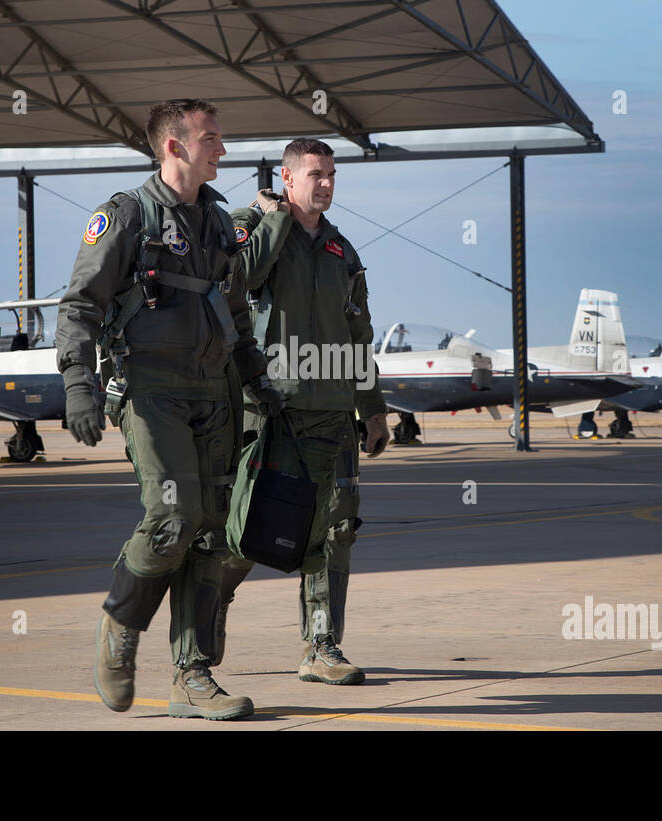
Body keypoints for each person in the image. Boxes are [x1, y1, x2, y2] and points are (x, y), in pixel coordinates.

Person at [55, 98, 283, 720]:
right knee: (171, 521)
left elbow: (234, 313)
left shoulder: (217, 224)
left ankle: (193, 676)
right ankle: (120, 630)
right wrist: (78, 381)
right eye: (212, 138)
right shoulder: (125, 217)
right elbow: (79, 305)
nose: (223, 150)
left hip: (215, 391)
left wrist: (257, 380)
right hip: (151, 390)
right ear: (174, 147)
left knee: (211, 533)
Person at [223, 137, 391, 685]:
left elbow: (358, 334)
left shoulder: (343, 251)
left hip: (334, 415)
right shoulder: (254, 226)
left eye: (332, 175)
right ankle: (204, 625)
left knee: (335, 530)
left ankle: (322, 647)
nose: (325, 184)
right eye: (315, 174)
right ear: (287, 177)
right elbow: (236, 281)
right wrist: (271, 222)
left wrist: (373, 410)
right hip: (275, 412)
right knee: (249, 530)